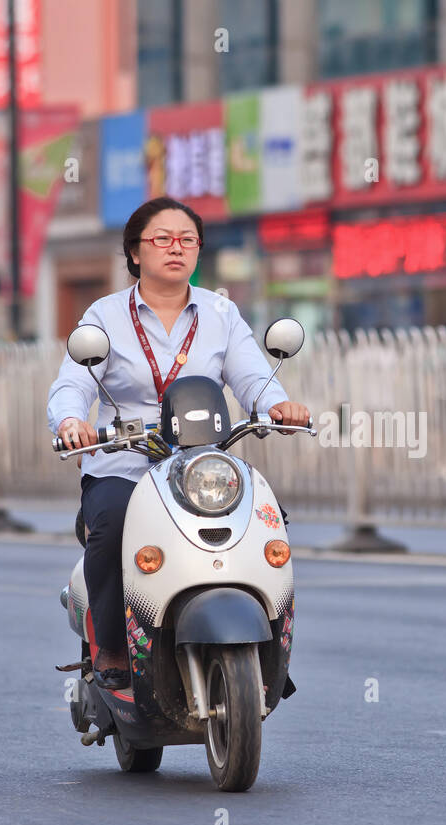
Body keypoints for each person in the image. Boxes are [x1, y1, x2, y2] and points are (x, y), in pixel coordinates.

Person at [47, 196, 310, 689]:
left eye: (188, 240)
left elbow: (253, 376)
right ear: (135, 252)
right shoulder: (104, 315)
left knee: (268, 525)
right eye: (162, 239)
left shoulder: (220, 313)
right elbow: (73, 383)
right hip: (124, 464)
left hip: (201, 466)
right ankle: (110, 649)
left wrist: (278, 404)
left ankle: (270, 650)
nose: (176, 248)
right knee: (111, 526)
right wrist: (69, 420)